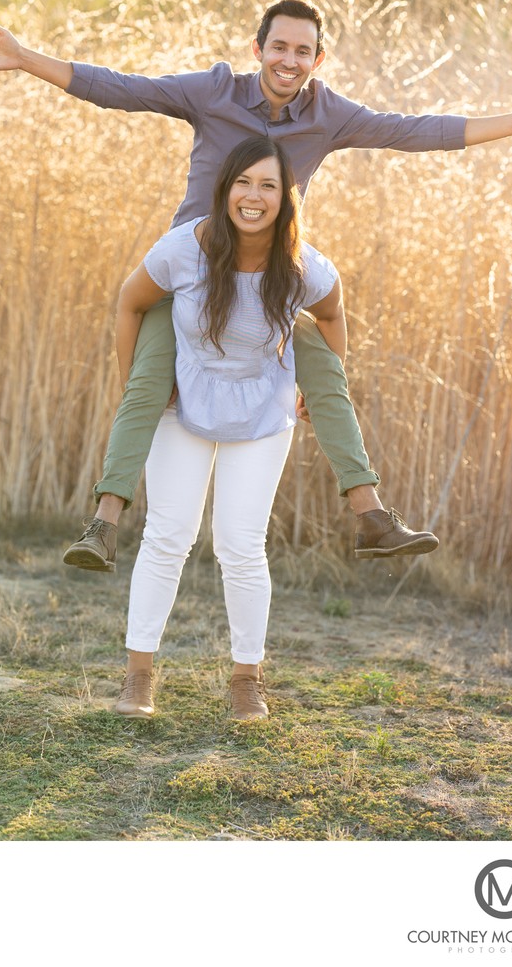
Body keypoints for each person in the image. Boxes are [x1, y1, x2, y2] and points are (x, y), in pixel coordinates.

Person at [0, 0, 512, 571]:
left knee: (323, 360)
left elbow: (413, 130)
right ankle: (104, 523)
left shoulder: (328, 114)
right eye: (278, 47)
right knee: (147, 378)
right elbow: (122, 88)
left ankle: (371, 516)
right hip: (194, 272)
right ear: (257, 49)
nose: (289, 60)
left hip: (270, 277)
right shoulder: (214, 92)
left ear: (318, 59)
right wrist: (25, 59)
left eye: (302, 51)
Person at [113, 134, 346, 720]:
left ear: (285, 198)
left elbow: (332, 312)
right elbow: (130, 302)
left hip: (263, 411)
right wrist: (139, 386)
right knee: (167, 536)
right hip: (183, 407)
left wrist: (318, 392)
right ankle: (138, 678)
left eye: (268, 185)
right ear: (224, 190)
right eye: (243, 182)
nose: (253, 196)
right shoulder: (184, 249)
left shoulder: (302, 264)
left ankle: (247, 680)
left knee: (241, 545)